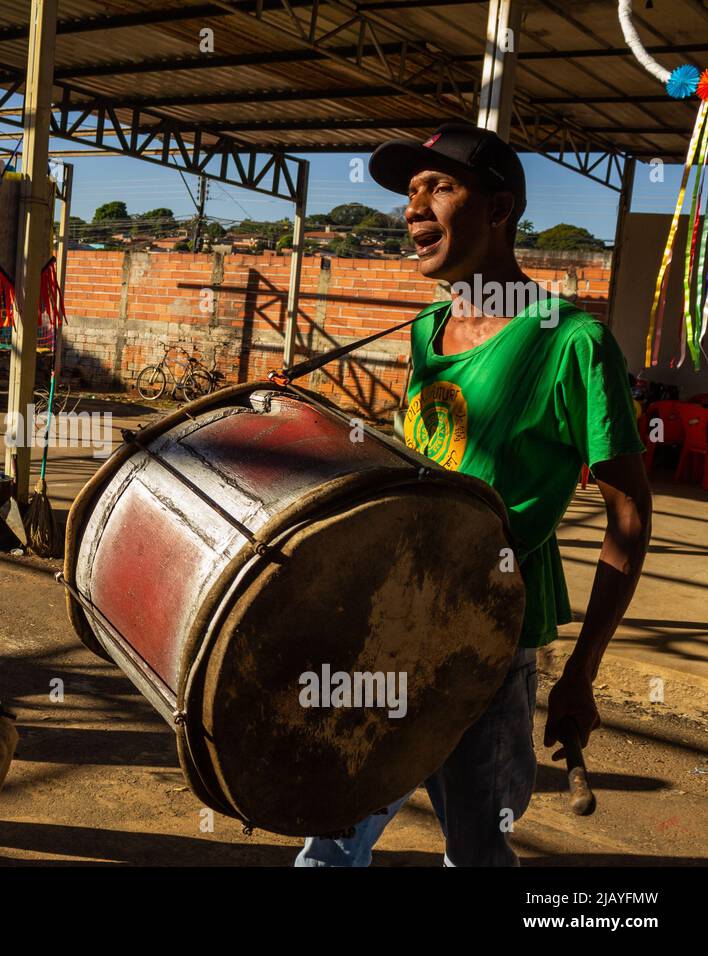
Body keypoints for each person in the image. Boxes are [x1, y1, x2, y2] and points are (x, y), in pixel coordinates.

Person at [297, 123, 652, 867]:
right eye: (409, 191)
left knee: (476, 849)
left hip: (490, 643)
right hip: (396, 626)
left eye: (440, 187)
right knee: (331, 835)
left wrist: (582, 673)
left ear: (499, 210)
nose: (413, 207)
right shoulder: (427, 331)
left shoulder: (571, 343)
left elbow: (629, 513)